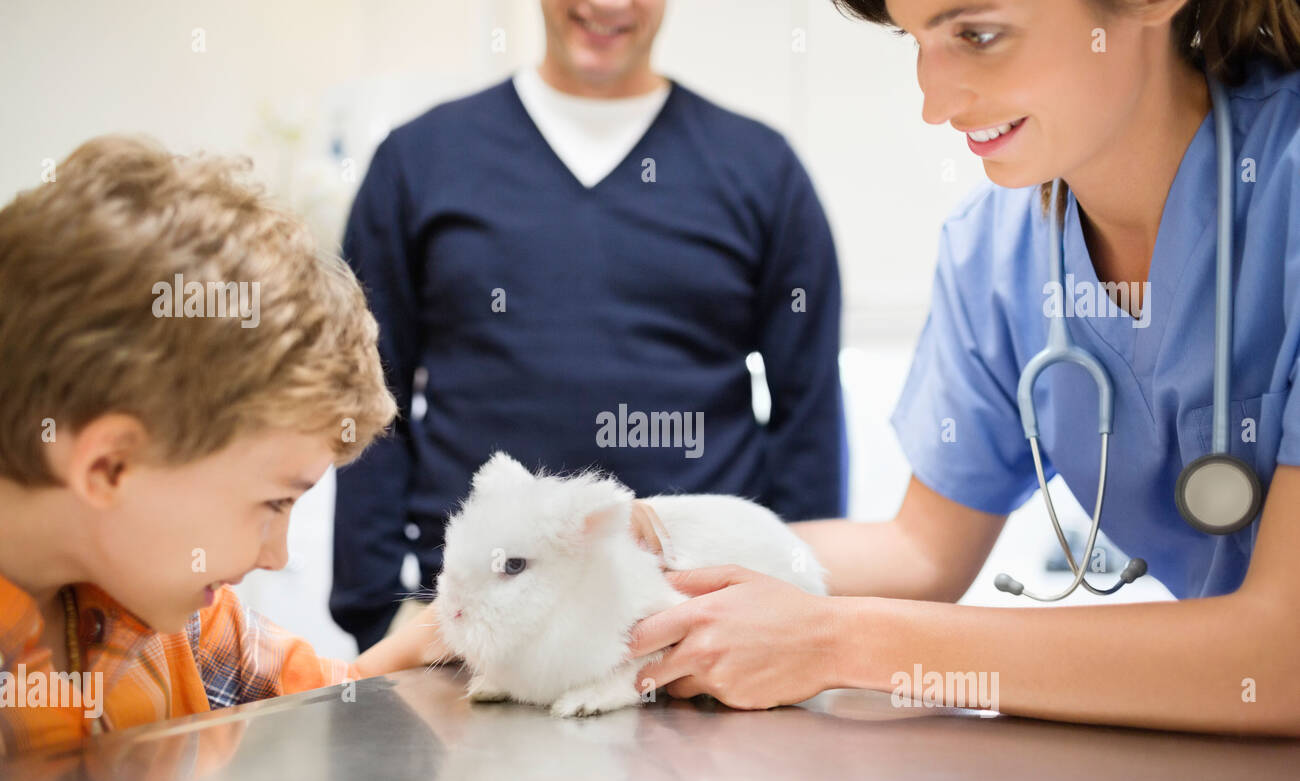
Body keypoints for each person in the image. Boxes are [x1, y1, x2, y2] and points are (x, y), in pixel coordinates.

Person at [626, 0, 1300, 736]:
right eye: (914, 41)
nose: (934, 103)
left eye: (977, 36)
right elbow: (920, 551)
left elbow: (1280, 654)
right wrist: (661, 543)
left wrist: (833, 640)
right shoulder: (999, 251)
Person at [330, 0, 847, 651]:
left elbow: (810, 414)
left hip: (700, 629)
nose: (608, 5)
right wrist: (378, 610)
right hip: (468, 634)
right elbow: (367, 393)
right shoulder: (418, 160)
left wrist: (796, 609)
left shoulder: (762, 169)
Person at [0, 137, 438, 756]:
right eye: (274, 503)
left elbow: (336, 703)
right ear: (109, 466)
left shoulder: (182, 614)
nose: (277, 554)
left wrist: (451, 635)